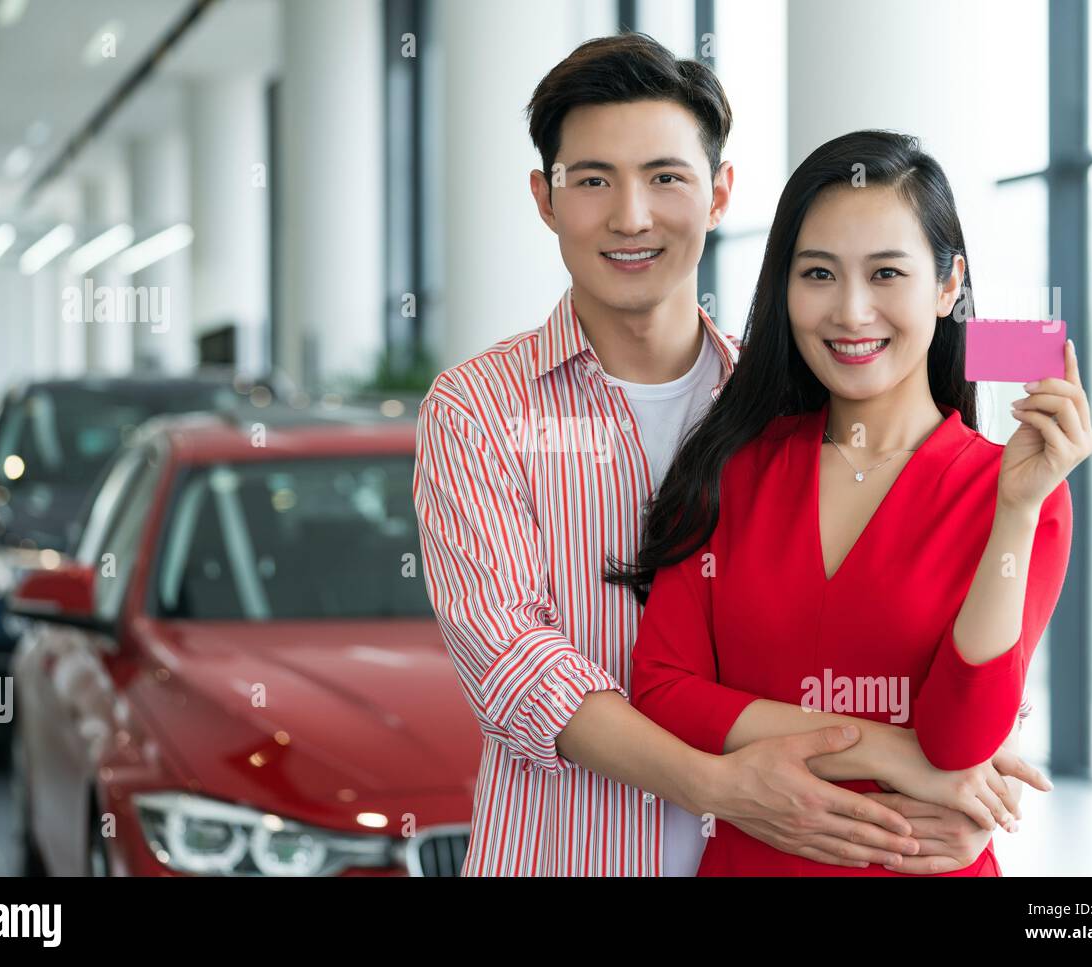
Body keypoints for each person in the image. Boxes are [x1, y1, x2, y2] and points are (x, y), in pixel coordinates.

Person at [413, 34, 1050, 876]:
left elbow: (921, 643)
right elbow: (514, 668)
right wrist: (727, 784)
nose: (631, 215)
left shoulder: (793, 399)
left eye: (666, 177)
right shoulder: (477, 408)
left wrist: (957, 788)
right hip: (570, 855)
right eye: (593, 180)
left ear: (719, 195)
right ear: (544, 198)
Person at [614, 129, 1092, 875]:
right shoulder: (732, 464)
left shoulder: (1019, 495)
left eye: (886, 273)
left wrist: (1018, 507)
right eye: (818, 274)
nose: (851, 310)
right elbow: (664, 691)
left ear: (946, 286)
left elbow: (960, 742)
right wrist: (885, 749)